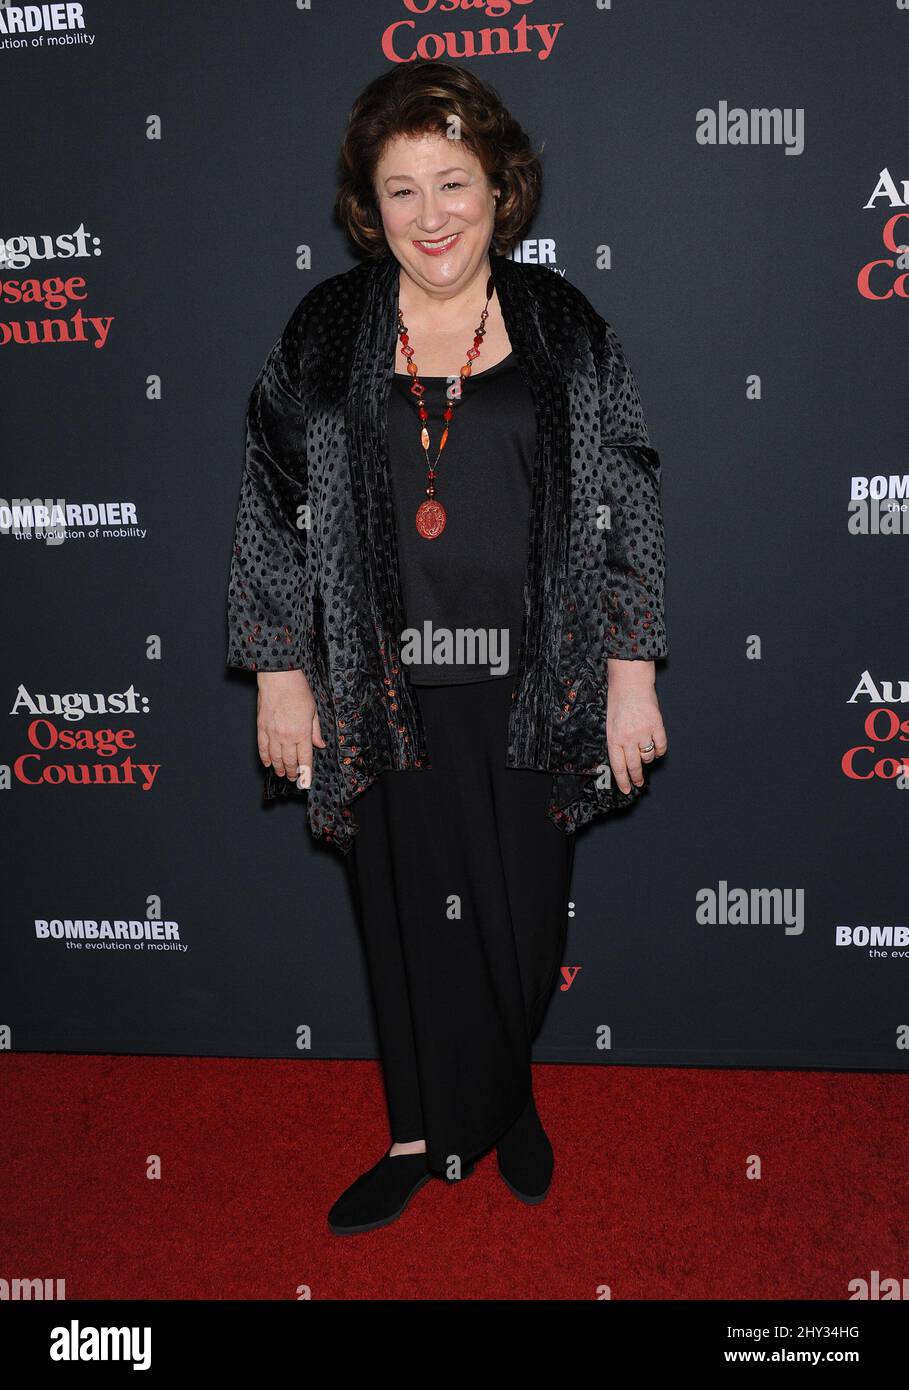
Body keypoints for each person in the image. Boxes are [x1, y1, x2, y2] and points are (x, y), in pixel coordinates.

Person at [226, 61, 668, 1237]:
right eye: (403, 188)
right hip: (383, 679)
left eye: (455, 182)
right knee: (405, 915)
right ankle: (422, 1129)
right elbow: (272, 500)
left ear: (500, 187)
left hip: (538, 678)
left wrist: (632, 671)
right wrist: (281, 671)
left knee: (523, 928)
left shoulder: (563, 322)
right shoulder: (327, 329)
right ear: (371, 204)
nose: (434, 215)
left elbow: (625, 494)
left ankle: (506, 1089)